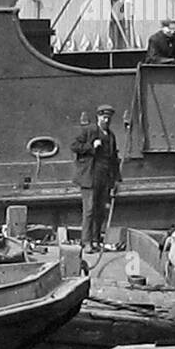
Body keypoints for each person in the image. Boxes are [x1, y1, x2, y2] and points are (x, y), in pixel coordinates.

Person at [71, 103, 121, 253]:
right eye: (104, 117)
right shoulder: (89, 131)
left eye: (108, 118)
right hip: (89, 177)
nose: (106, 120)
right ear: (98, 117)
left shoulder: (111, 136)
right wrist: (91, 146)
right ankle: (86, 242)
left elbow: (114, 159)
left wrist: (116, 180)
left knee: (100, 211)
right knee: (89, 210)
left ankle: (96, 240)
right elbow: (74, 146)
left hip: (104, 178)